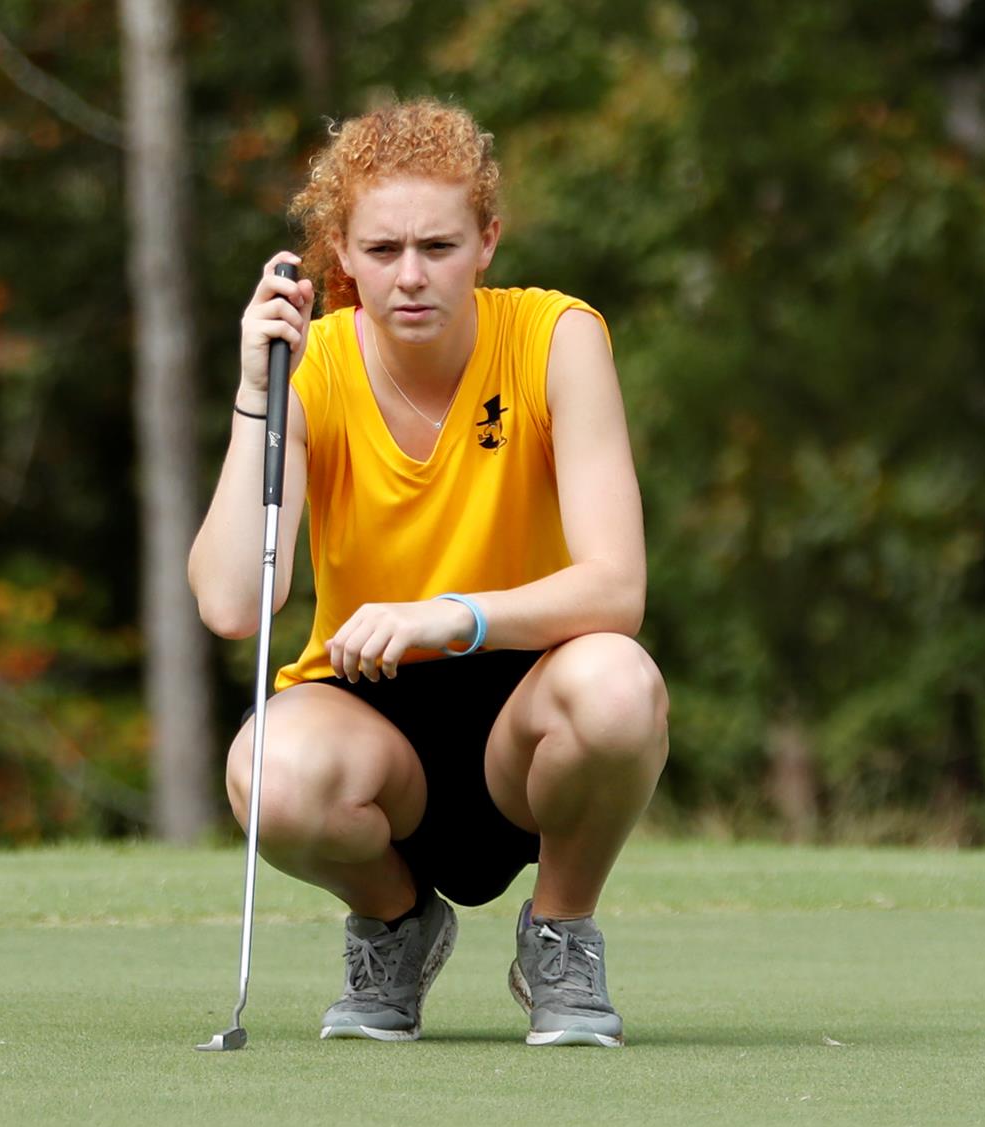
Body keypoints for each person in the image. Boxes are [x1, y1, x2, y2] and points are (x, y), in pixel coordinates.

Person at [187, 100, 668, 1048]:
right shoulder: (310, 364)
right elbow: (233, 602)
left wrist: (451, 616)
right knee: (266, 775)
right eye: (384, 249)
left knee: (622, 686)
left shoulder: (555, 337)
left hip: (530, 705)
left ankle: (560, 933)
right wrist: (256, 392)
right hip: (367, 712)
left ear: (488, 241)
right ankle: (398, 924)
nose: (411, 276)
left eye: (440, 245)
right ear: (341, 254)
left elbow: (617, 589)